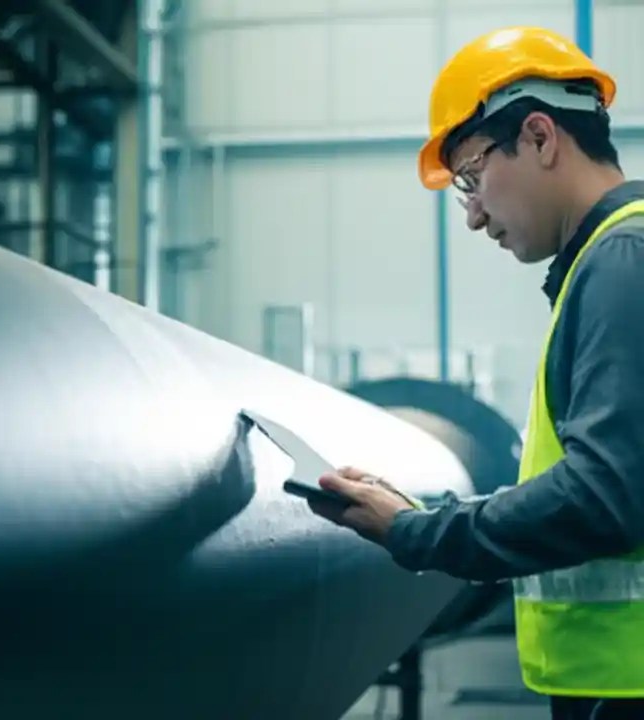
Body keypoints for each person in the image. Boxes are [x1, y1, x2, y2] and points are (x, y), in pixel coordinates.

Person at [307, 26, 644, 720]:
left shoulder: (621, 263)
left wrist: (415, 531)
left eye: (472, 174)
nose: (472, 213)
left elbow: (603, 495)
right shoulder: (605, 265)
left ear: (542, 137)